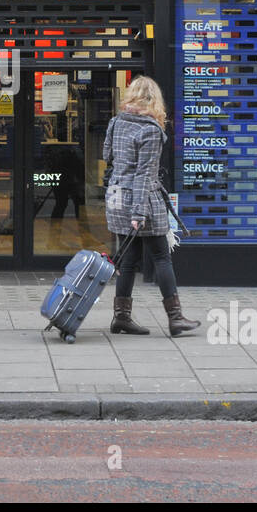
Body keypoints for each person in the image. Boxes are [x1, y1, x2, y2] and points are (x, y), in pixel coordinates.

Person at [102, 75, 201, 337]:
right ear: (154, 100)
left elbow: (107, 155)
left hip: (117, 196)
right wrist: (138, 212)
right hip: (142, 201)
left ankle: (121, 318)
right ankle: (176, 318)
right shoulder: (150, 130)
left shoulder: (116, 122)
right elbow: (144, 175)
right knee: (161, 257)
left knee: (128, 260)